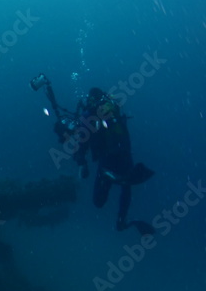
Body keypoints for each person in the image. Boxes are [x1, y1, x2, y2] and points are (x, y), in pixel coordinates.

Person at [32, 74, 155, 235]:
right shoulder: (113, 110)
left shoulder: (90, 114)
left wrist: (82, 161)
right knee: (127, 184)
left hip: (107, 160)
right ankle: (122, 220)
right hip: (125, 155)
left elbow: (82, 140)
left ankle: (110, 177)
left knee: (98, 201)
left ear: (90, 99)